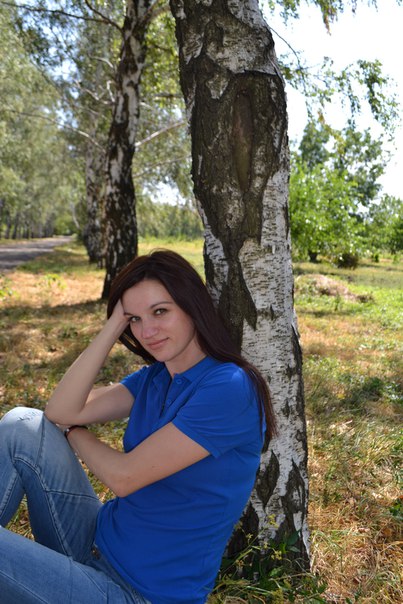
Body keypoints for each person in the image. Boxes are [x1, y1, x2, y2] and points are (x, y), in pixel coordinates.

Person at [0, 249, 276, 604]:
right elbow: (59, 410)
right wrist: (112, 326)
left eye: (160, 311)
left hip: (136, 594)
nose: (147, 331)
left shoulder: (231, 388)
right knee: (23, 425)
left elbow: (124, 477)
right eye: (135, 319)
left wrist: (73, 431)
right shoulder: (155, 378)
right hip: (93, 544)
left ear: (192, 306)